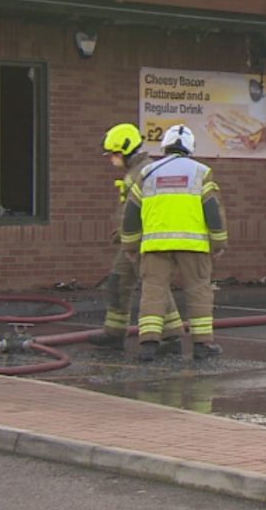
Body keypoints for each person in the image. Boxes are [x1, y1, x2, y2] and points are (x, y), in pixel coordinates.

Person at [120, 124, 228, 362]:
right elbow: (212, 209)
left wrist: (130, 246)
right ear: (190, 147)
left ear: (164, 146)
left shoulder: (147, 173)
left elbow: (131, 212)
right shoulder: (201, 172)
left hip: (155, 246)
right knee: (199, 290)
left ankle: (149, 344)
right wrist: (219, 241)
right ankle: (202, 345)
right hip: (194, 246)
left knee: (153, 291)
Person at [90, 124, 184, 356]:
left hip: (144, 241)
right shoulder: (136, 171)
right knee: (118, 282)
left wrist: (131, 234)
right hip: (130, 240)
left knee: (154, 287)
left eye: (114, 154)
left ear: (126, 150)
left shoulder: (144, 172)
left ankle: (172, 337)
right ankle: (114, 333)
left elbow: (142, 210)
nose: (111, 159)